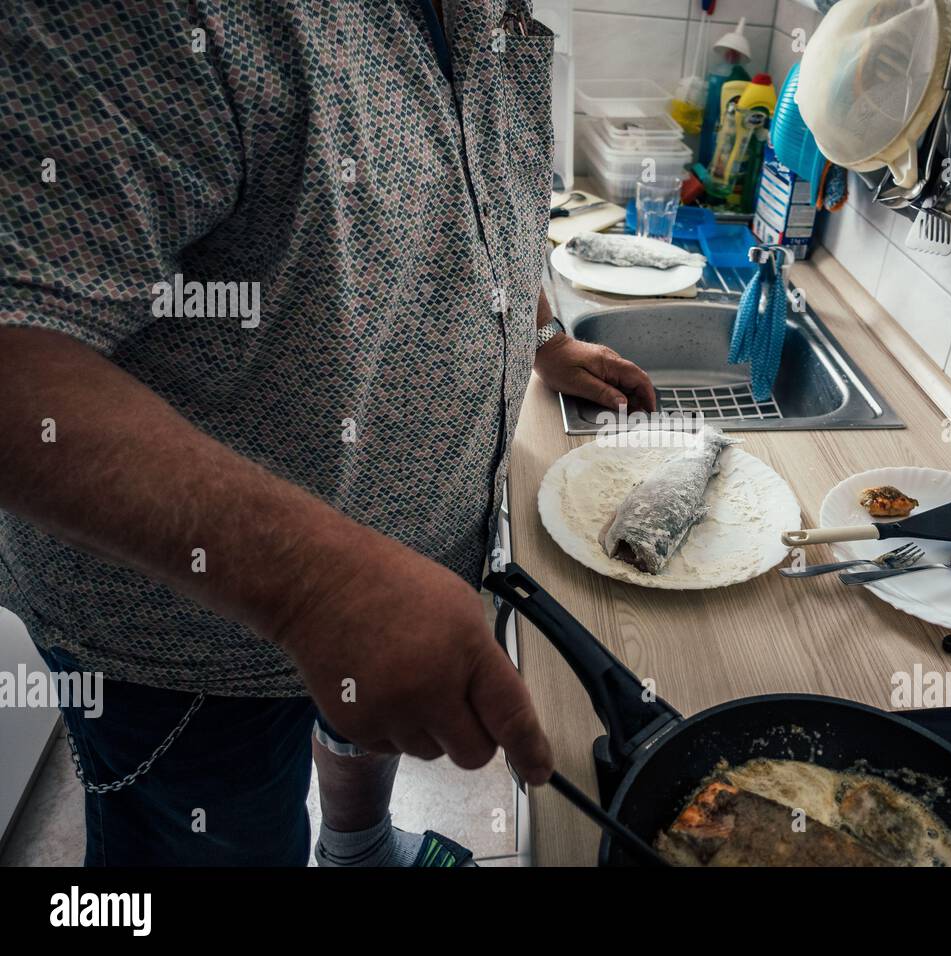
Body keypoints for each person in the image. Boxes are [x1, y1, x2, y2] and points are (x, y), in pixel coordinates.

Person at [0, 0, 655, 866]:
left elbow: (470, 192)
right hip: (193, 639)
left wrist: (541, 338)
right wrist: (318, 587)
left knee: (361, 728)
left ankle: (358, 846)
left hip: (404, 551)